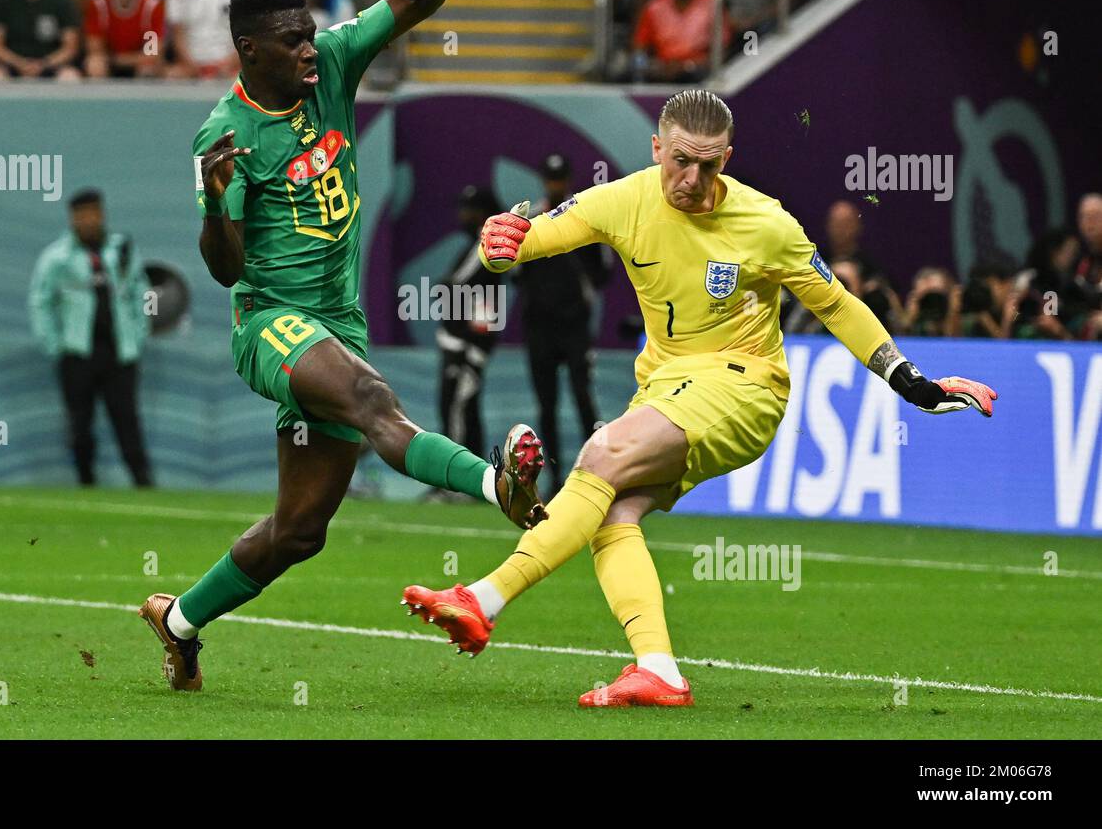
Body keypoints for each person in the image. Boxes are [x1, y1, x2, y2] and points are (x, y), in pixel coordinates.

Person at [402, 90, 996, 707]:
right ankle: (659, 670)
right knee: (611, 511)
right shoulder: (623, 200)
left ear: (727, 158)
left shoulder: (766, 224)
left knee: (602, 455)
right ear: (657, 148)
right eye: (681, 160)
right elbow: (532, 239)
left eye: (710, 165)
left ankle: (483, 599)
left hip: (744, 385)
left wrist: (910, 381)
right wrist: (498, 246)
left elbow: (836, 305)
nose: (692, 179)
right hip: (668, 386)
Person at [139, 0, 546, 693]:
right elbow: (225, 273)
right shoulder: (222, 140)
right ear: (249, 51)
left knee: (299, 532)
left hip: (337, 321)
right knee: (369, 397)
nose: (306, 47)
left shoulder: (329, 64)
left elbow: (405, 1)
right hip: (269, 324)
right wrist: (216, 203)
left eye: (309, 33)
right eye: (290, 39)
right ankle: (501, 486)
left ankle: (180, 621)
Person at [28, 188, 153, 488]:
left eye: (94, 213)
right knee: (79, 424)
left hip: (119, 352)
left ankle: (144, 482)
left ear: (102, 214)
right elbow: (41, 301)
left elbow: (143, 294)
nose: (89, 221)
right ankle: (85, 481)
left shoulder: (122, 250)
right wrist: (55, 344)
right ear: (72, 219)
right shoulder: (57, 257)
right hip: (78, 353)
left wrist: (137, 336)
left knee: (127, 421)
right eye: (82, 215)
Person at [517, 153, 609, 492]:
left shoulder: (583, 217)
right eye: (550, 178)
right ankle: (554, 477)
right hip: (540, 324)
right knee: (547, 404)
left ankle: (596, 474)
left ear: (568, 179)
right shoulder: (532, 220)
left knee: (583, 397)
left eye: (560, 178)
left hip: (574, 325)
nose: (555, 184)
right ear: (544, 179)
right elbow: (517, 269)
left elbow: (603, 269)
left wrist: (577, 292)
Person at [436, 184, 505, 463]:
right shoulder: (478, 246)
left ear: (485, 214)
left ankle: (456, 480)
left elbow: (455, 284)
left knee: (456, 406)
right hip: (464, 341)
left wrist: (476, 349)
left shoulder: (486, 246)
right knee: (462, 406)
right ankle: (473, 480)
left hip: (469, 344)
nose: (464, 216)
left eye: (471, 211)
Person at [631, 0, 727, 83]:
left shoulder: (712, 5)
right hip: (662, 70)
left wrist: (687, 66)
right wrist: (646, 67)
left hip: (698, 72)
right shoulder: (654, 7)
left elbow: (721, 52)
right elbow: (639, 48)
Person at [83, 0, 164, 78]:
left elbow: (151, 53)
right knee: (95, 63)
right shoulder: (100, 5)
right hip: (110, 63)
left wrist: (119, 60)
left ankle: (143, 96)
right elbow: (95, 49)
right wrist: (112, 60)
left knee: (149, 67)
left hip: (137, 64)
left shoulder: (150, 6)